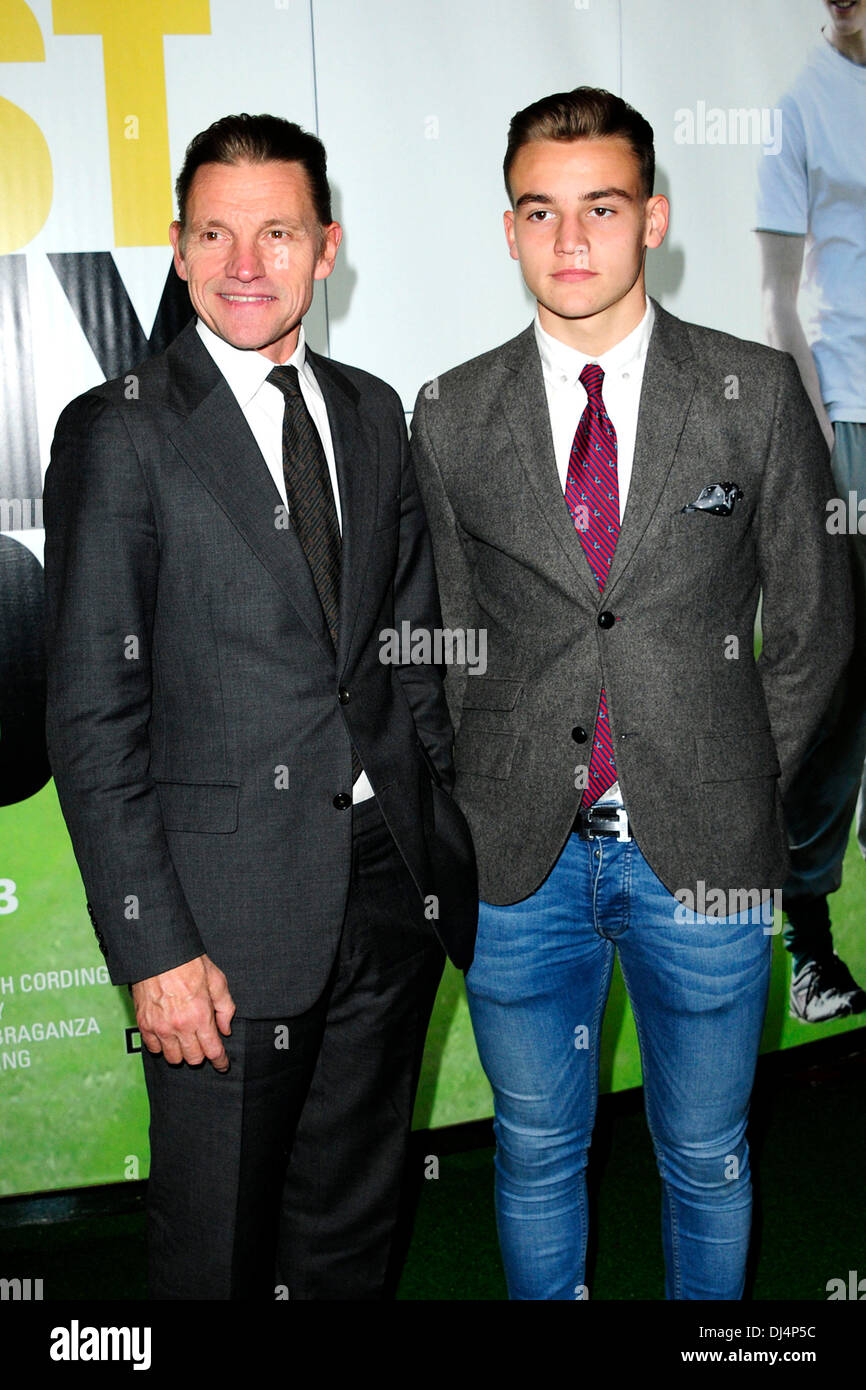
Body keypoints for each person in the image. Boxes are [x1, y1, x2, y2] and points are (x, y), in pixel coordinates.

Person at [409, 86, 852, 1301]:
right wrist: (470, 794)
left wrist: (737, 772)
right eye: (539, 212)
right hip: (515, 862)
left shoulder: (753, 394)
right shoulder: (446, 415)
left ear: (651, 215)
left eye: (599, 207)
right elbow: (443, 633)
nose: (569, 242)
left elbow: (815, 625)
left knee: (705, 1157)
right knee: (535, 1151)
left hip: (704, 854)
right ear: (506, 228)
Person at [43, 113, 476, 1301]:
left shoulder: (375, 411)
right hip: (218, 929)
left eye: (276, 232)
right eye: (217, 235)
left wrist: (436, 842)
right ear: (178, 250)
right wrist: (156, 949)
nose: (247, 263)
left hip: (385, 897)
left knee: (352, 1226)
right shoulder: (120, 427)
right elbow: (91, 717)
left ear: (324, 246)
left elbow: (407, 655)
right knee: (215, 1248)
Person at [755, 0, 866, 1022]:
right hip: (848, 423)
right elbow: (773, 298)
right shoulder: (800, 110)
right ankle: (808, 949)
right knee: (831, 682)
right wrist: (814, 449)